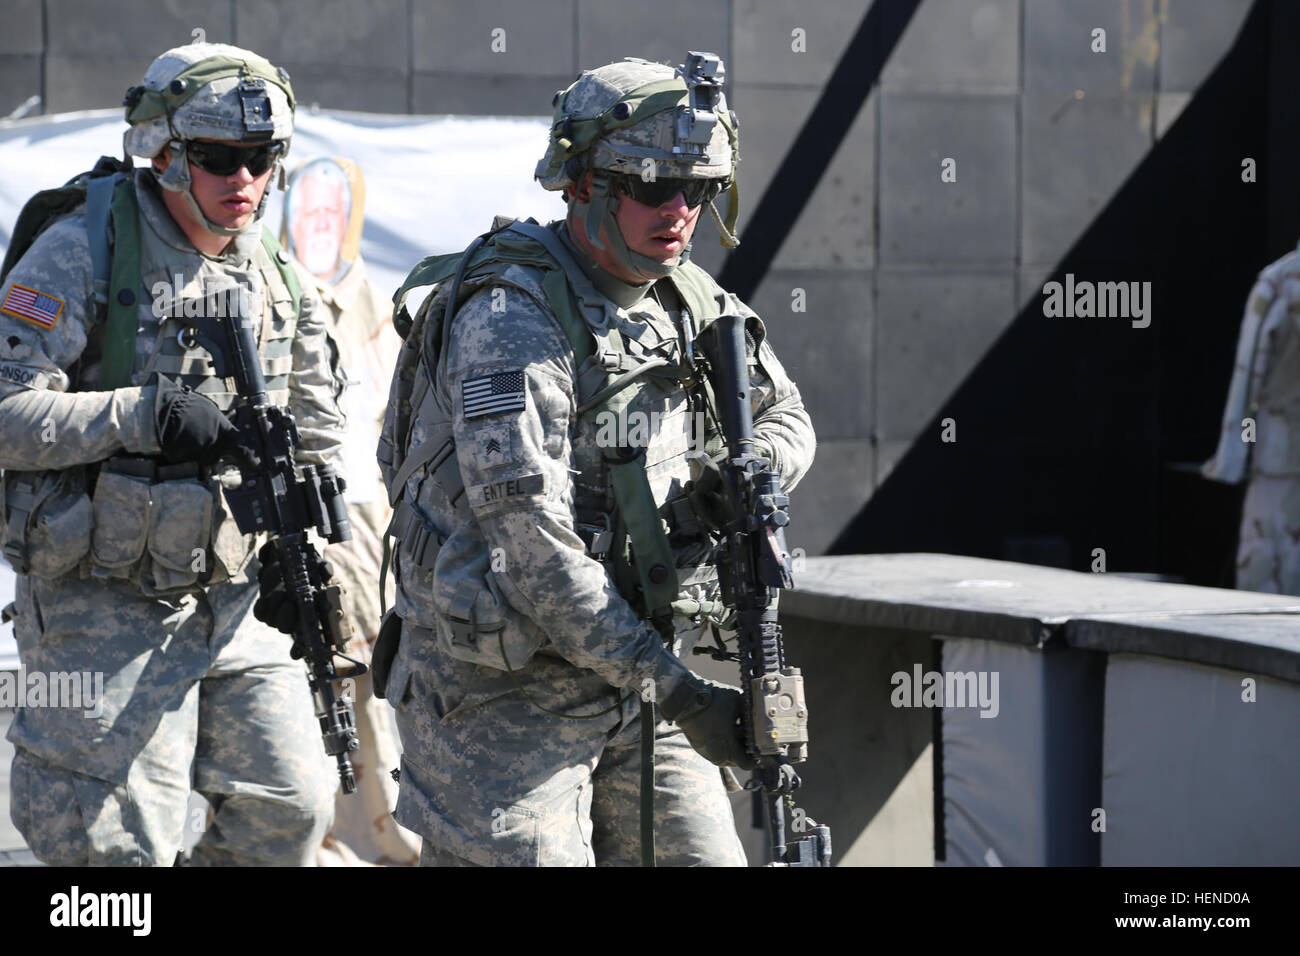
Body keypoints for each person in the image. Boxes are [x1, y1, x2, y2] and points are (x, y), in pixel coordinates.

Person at [378, 52, 815, 866]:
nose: (680, 211)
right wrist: (683, 695)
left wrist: (737, 480)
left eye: (700, 189)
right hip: (503, 694)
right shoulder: (509, 320)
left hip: (638, 671)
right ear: (582, 184)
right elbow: (531, 547)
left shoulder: (691, 300)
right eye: (653, 186)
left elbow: (788, 415)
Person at [0, 41, 346, 866]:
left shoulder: (278, 276)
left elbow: (318, 428)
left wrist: (317, 546)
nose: (244, 182)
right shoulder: (87, 247)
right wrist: (142, 415)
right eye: (219, 159)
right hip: (102, 595)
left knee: (291, 810)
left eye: (262, 160)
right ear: (162, 152)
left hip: (233, 595)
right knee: (116, 852)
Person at [280, 156, 420, 866]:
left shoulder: (376, 313)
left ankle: (378, 837)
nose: (319, 229)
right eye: (308, 214)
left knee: (365, 682)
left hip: (363, 526)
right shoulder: (267, 298)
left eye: (332, 214)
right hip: (281, 530)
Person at [1203, 240, 1300, 595]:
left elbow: (1247, 376)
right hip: (1277, 445)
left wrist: (1234, 454)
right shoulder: (1278, 282)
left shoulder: (1279, 281)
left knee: (1267, 564)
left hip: (1276, 449)